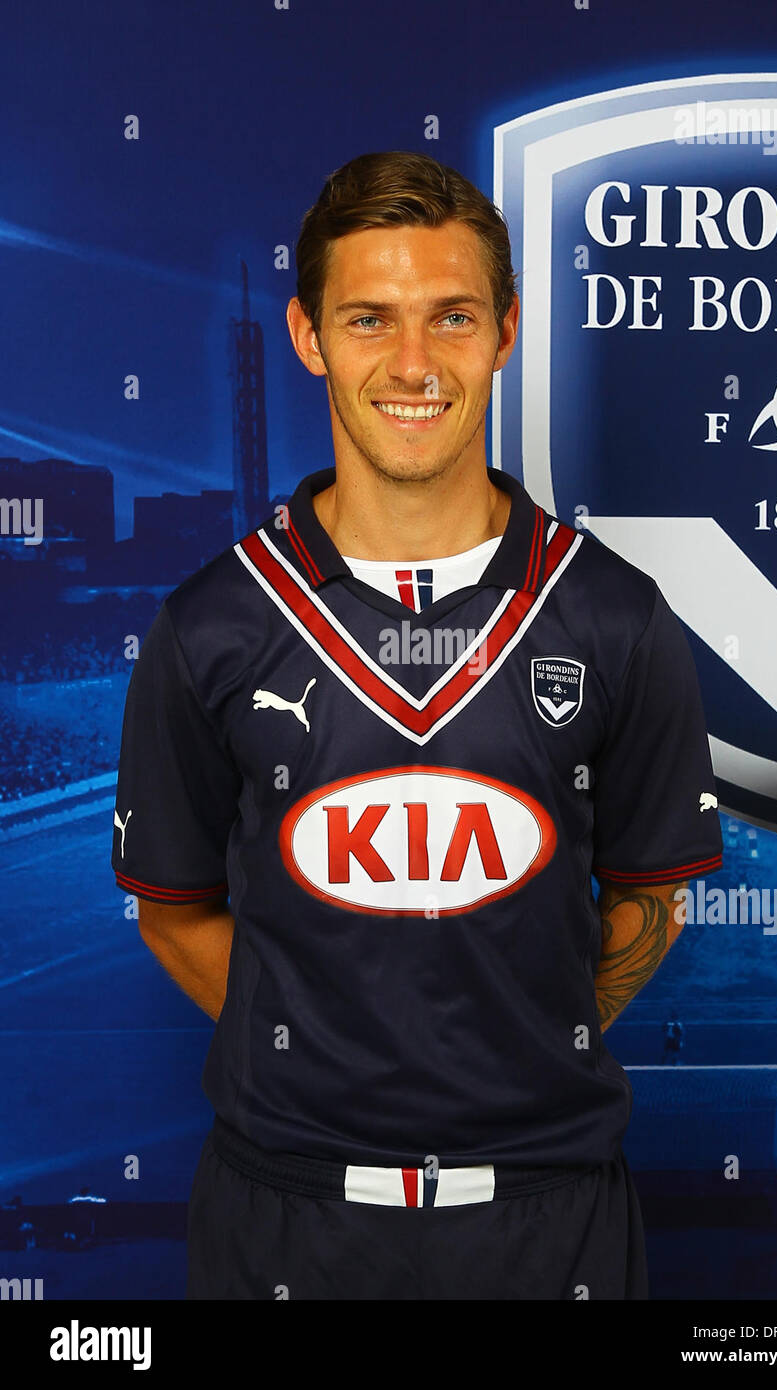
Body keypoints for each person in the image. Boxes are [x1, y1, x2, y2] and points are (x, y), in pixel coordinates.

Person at [111, 150, 723, 1300]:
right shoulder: (210, 625)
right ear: (305, 337)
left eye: (450, 317)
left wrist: (513, 1042)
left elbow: (646, 898)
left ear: (504, 331)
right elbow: (175, 910)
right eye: (367, 318)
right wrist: (334, 1052)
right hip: (283, 1222)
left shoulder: (610, 617)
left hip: (548, 1226)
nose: (410, 363)